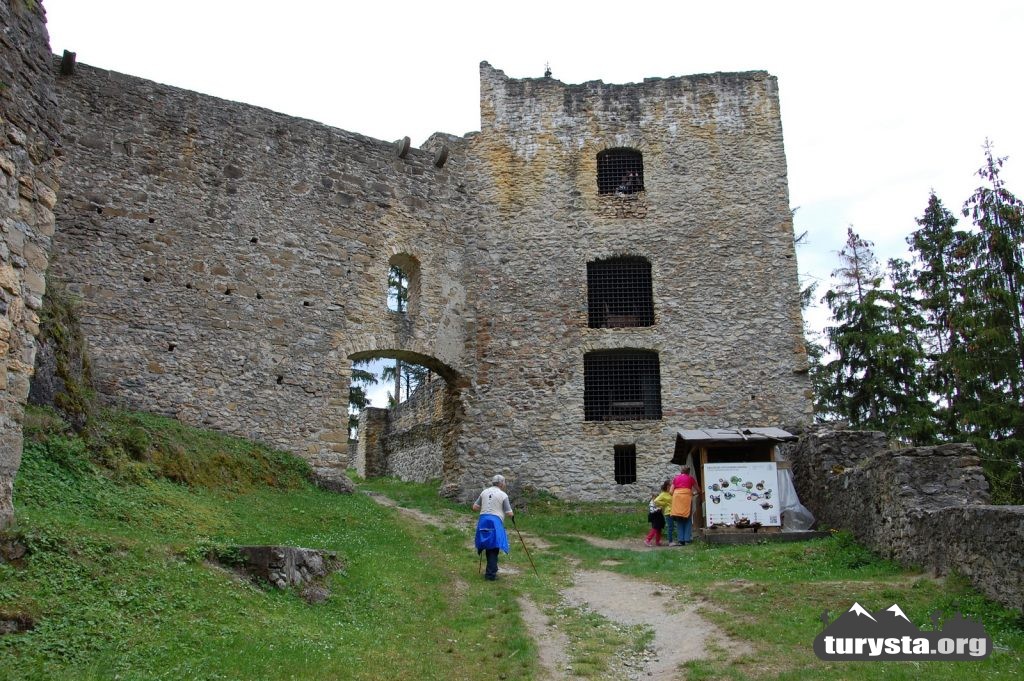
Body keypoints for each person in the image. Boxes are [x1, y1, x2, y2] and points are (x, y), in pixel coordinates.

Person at [473, 474, 514, 581]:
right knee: (494, 546)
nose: (504, 484)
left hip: (483, 520)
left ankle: (492, 569)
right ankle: (490, 574)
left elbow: (475, 507)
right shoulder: (503, 495)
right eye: (504, 482)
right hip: (495, 521)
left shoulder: (484, 492)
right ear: (501, 484)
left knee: (488, 544)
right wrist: (512, 516)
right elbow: (509, 512)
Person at [667, 466, 699, 546]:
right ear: (688, 472)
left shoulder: (676, 478)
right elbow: (698, 490)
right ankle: (687, 539)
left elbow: (670, 492)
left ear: (681, 471)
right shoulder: (691, 478)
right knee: (687, 519)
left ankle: (681, 540)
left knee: (679, 519)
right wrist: (693, 493)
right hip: (687, 499)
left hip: (677, 498)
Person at [644, 479, 672, 546]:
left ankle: (657, 541)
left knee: (659, 527)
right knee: (655, 527)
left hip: (659, 514)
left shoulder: (663, 495)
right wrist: (663, 505)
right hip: (655, 514)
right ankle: (647, 540)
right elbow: (653, 507)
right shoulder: (657, 498)